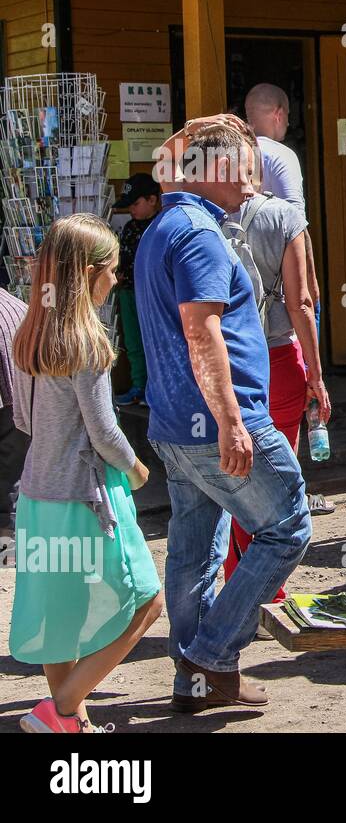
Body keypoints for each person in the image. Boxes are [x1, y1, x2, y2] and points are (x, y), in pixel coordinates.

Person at [138, 113, 311, 713]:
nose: (256, 182)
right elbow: (201, 331)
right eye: (244, 167)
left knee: (192, 551)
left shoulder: (166, 224)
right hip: (218, 423)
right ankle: (210, 656)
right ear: (211, 170)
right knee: (288, 525)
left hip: (176, 424)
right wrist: (233, 420)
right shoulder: (197, 233)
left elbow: (194, 330)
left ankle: (199, 679)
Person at [9, 215, 162, 733]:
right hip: (86, 498)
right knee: (148, 600)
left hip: (37, 495)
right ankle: (61, 708)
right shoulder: (89, 342)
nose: (116, 281)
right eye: (112, 271)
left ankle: (68, 721)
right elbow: (104, 433)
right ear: (90, 273)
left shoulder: (30, 334)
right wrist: (138, 468)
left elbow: (27, 420)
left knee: (60, 618)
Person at [222, 154, 335, 599]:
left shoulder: (204, 216)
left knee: (234, 472)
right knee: (278, 472)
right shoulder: (286, 217)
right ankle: (268, 588)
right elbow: (302, 301)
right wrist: (317, 374)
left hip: (228, 358)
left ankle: (236, 577)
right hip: (279, 359)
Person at [112, 172, 161, 407]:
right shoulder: (130, 227)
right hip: (128, 292)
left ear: (152, 199)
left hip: (152, 297)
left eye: (135, 203)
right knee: (133, 343)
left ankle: (156, 390)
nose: (132, 209)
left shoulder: (162, 225)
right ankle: (138, 387)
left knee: (155, 343)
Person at [244, 83, 305, 214]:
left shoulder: (229, 152)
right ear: (279, 114)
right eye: (287, 115)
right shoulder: (282, 155)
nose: (288, 123)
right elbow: (294, 216)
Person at [0, 286, 29, 553]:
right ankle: (8, 545)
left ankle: (6, 547)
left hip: (10, 400)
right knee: (13, 472)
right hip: (20, 397)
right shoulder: (17, 305)